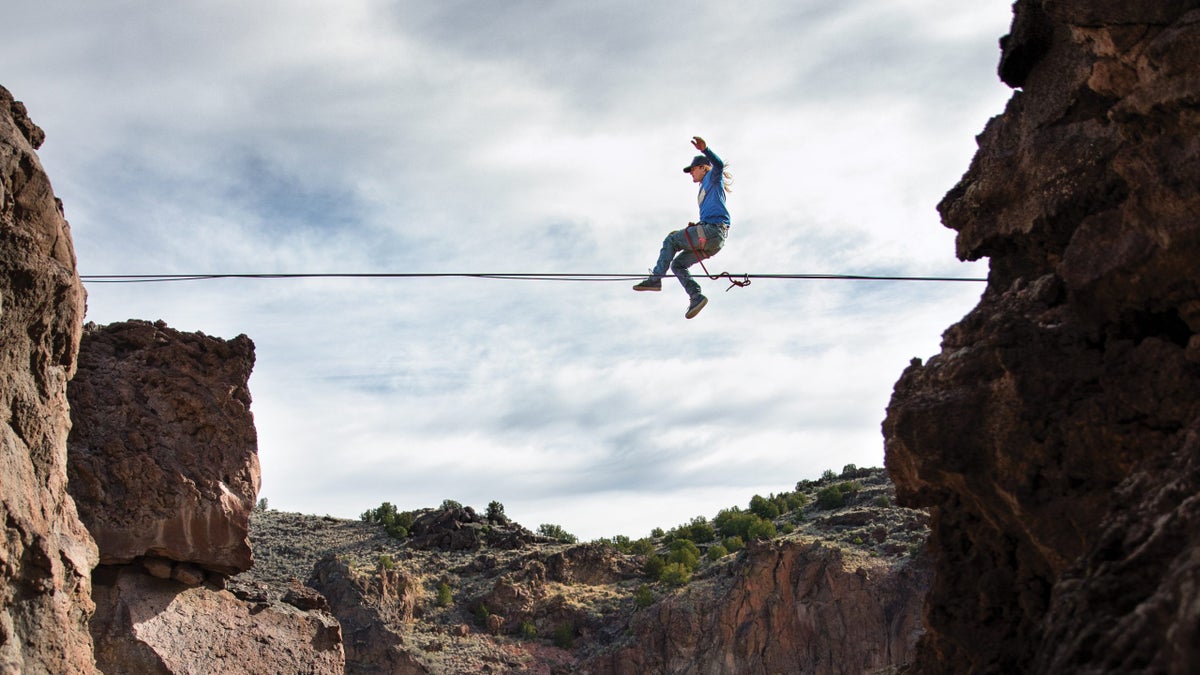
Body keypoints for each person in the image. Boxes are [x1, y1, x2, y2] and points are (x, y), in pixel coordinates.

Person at [633, 136, 731, 319]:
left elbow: (718, 165)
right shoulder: (704, 189)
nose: (691, 173)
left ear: (703, 167)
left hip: (713, 231)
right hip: (713, 239)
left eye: (693, 170)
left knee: (671, 239)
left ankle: (655, 280)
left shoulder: (713, 176)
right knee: (678, 264)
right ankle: (696, 297)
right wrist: (698, 227)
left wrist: (705, 149)